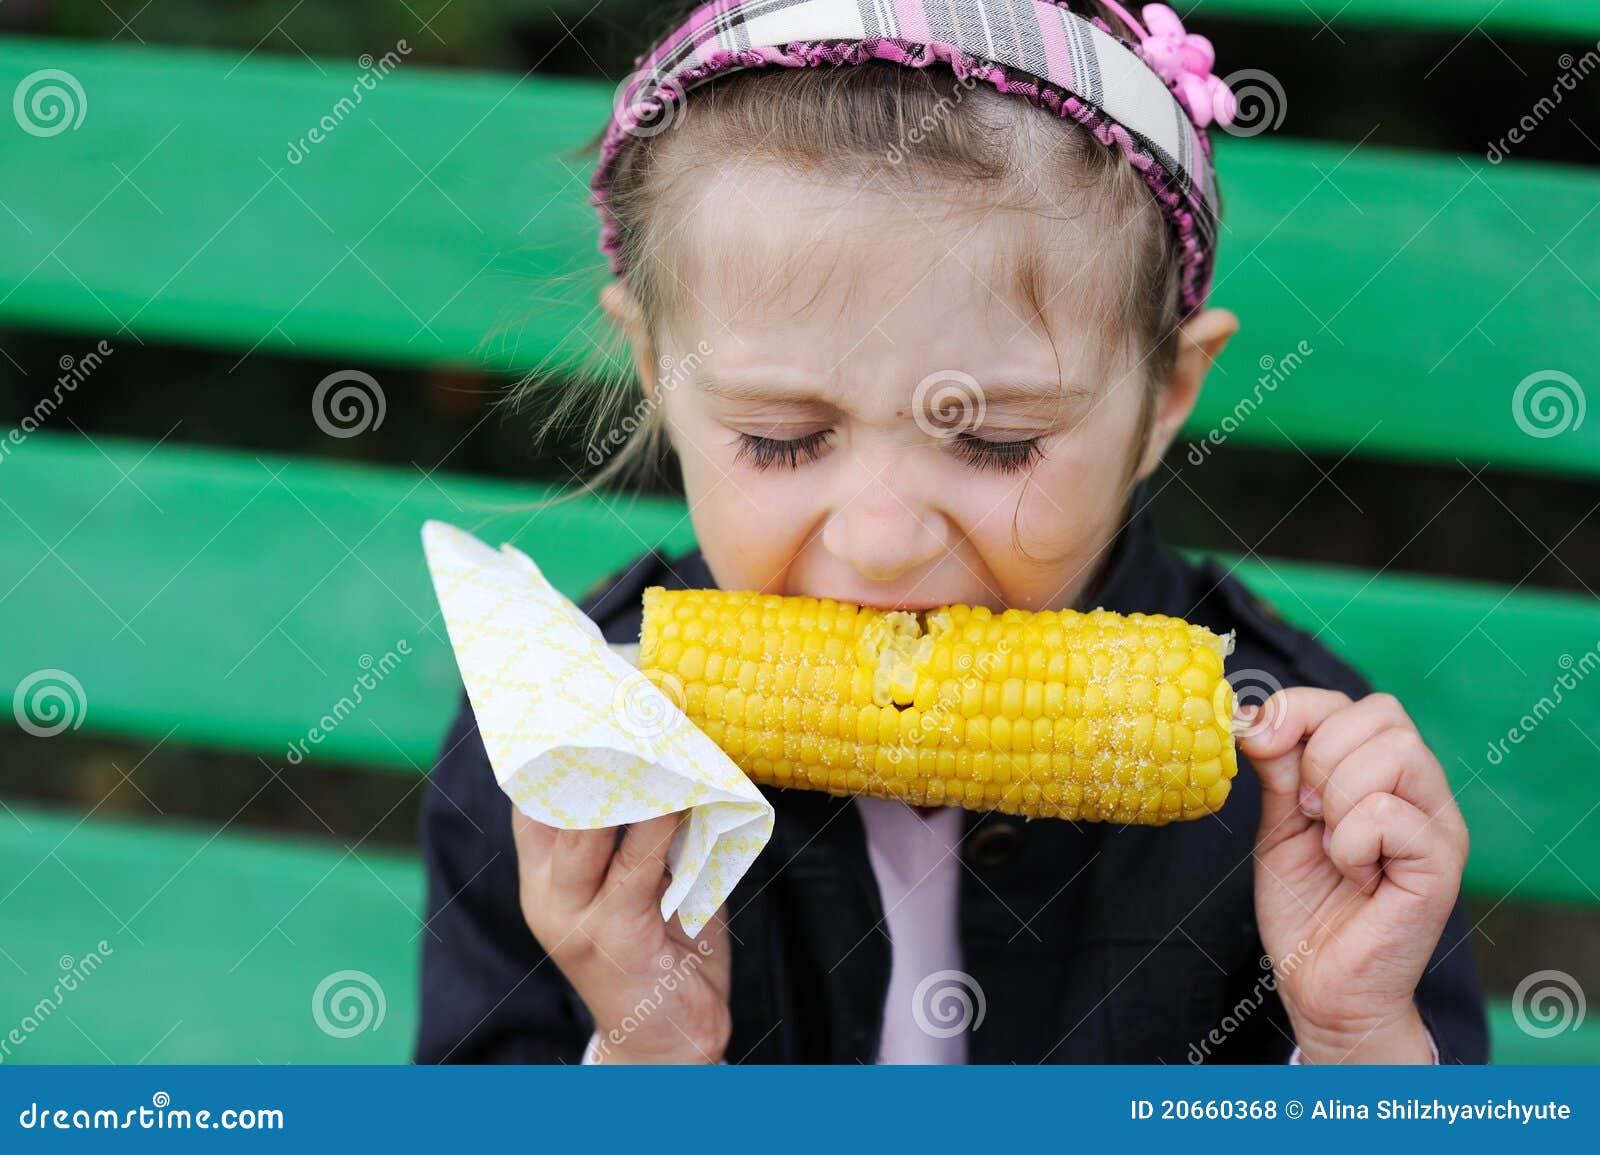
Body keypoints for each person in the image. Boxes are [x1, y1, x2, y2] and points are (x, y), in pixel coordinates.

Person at [415, 0, 1486, 1064]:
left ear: (1166, 396)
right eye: (783, 438)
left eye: (998, 442)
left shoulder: (1306, 806)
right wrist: (651, 1052)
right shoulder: (561, 765)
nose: (882, 540)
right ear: (659, 375)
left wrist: (1353, 1039)